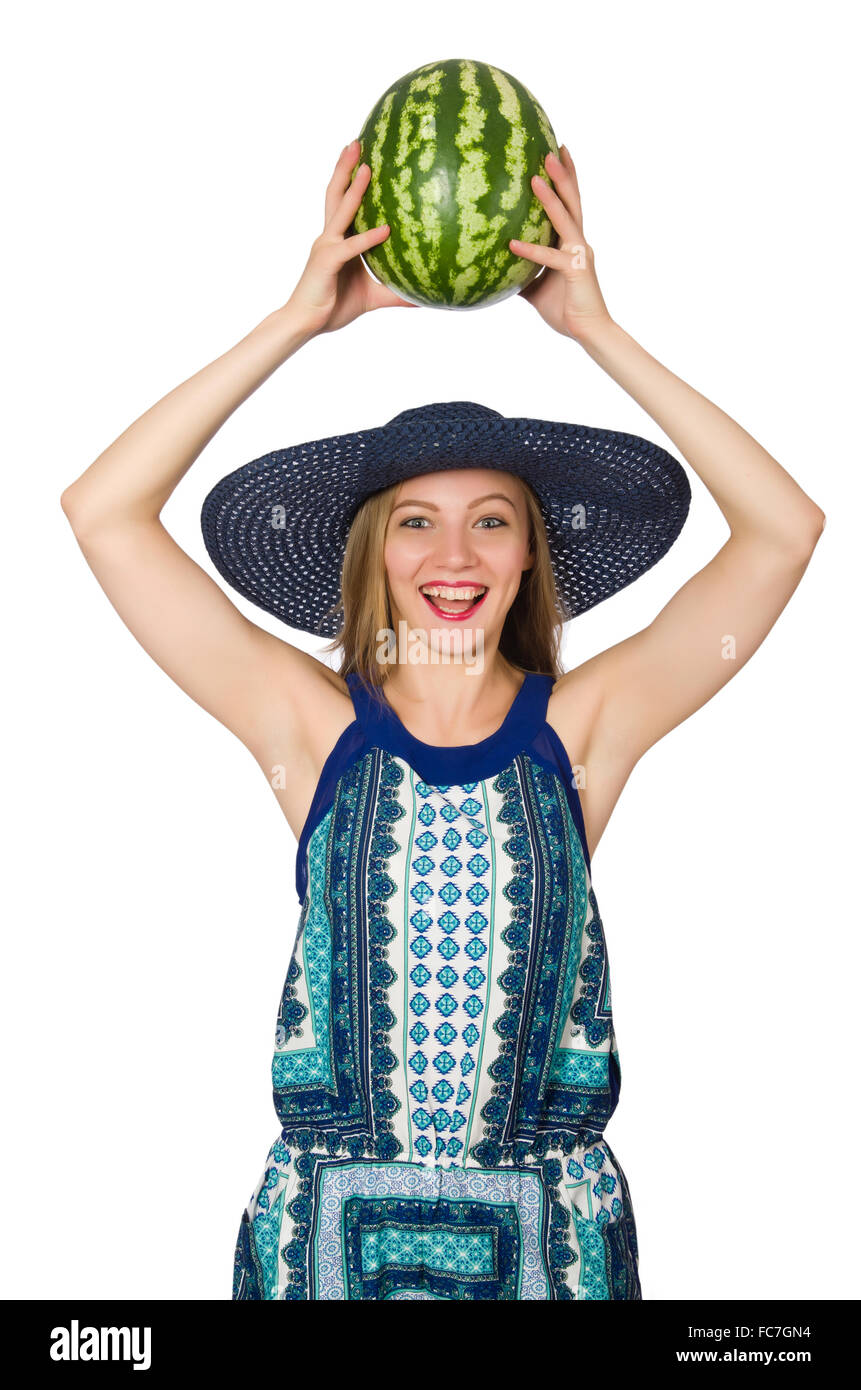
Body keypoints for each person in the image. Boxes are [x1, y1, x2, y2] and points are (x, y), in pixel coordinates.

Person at [60, 139, 825, 1301]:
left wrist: (596, 332)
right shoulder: (309, 730)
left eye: (492, 522)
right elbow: (103, 511)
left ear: (532, 557)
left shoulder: (584, 732)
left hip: (552, 1257)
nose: (454, 556)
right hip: (323, 1249)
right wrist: (296, 320)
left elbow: (785, 531)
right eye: (415, 522)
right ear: (374, 554)